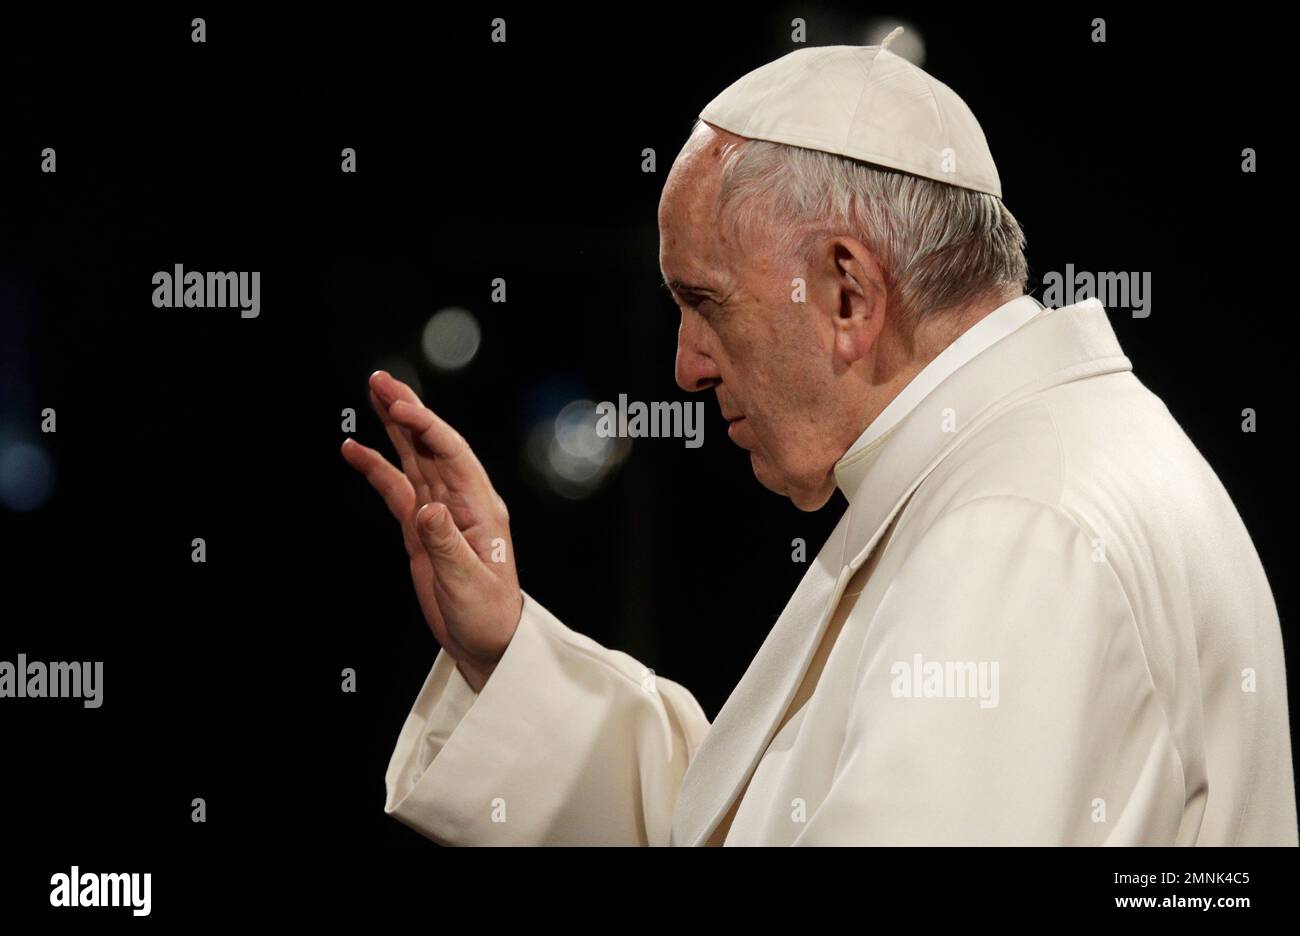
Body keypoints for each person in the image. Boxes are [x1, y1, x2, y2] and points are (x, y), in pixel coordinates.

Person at [341, 36, 1297, 845]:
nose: (686, 367)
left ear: (847, 291)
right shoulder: (1020, 464)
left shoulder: (1014, 524)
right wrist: (507, 652)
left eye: (704, 303)